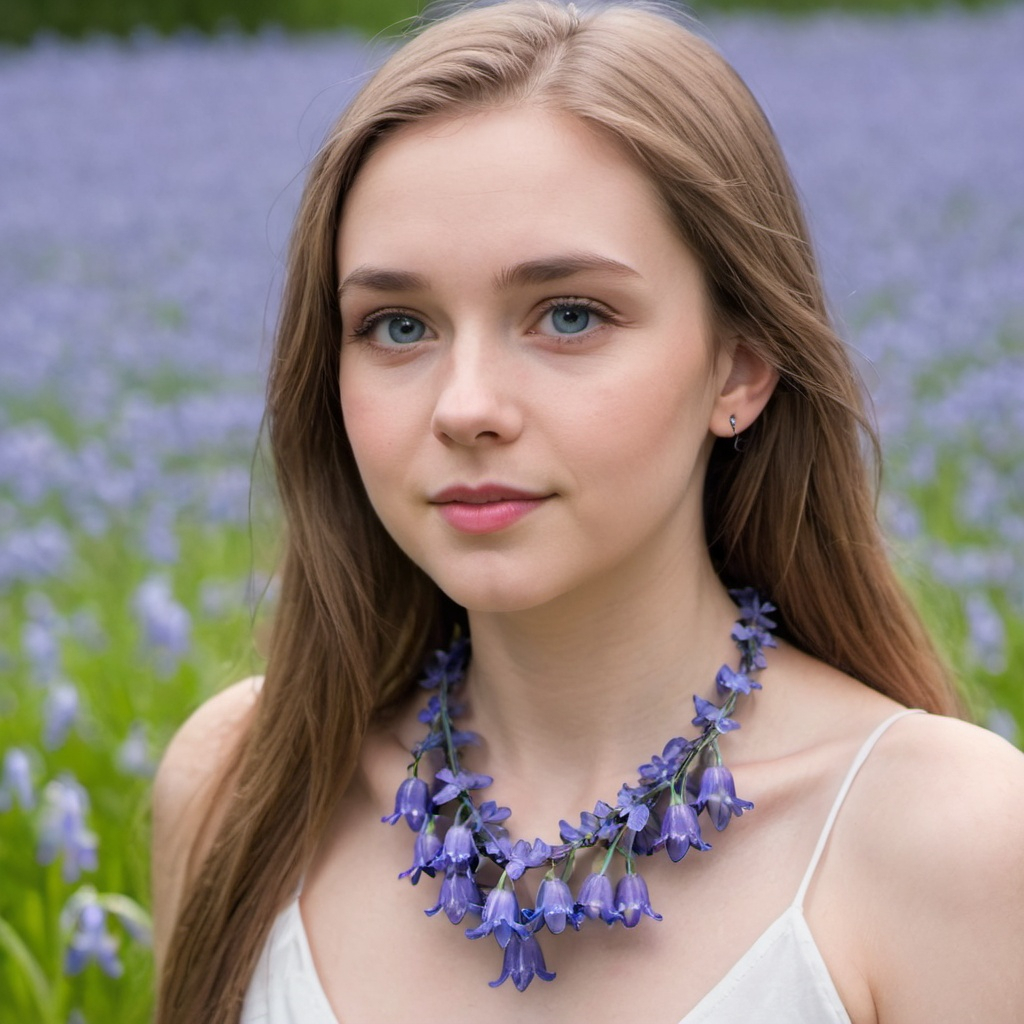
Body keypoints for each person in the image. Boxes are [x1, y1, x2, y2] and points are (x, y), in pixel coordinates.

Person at [151, 2, 1024, 1021]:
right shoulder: (239, 786)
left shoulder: (947, 836)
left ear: (737, 368)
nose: (465, 405)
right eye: (396, 325)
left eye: (569, 315)